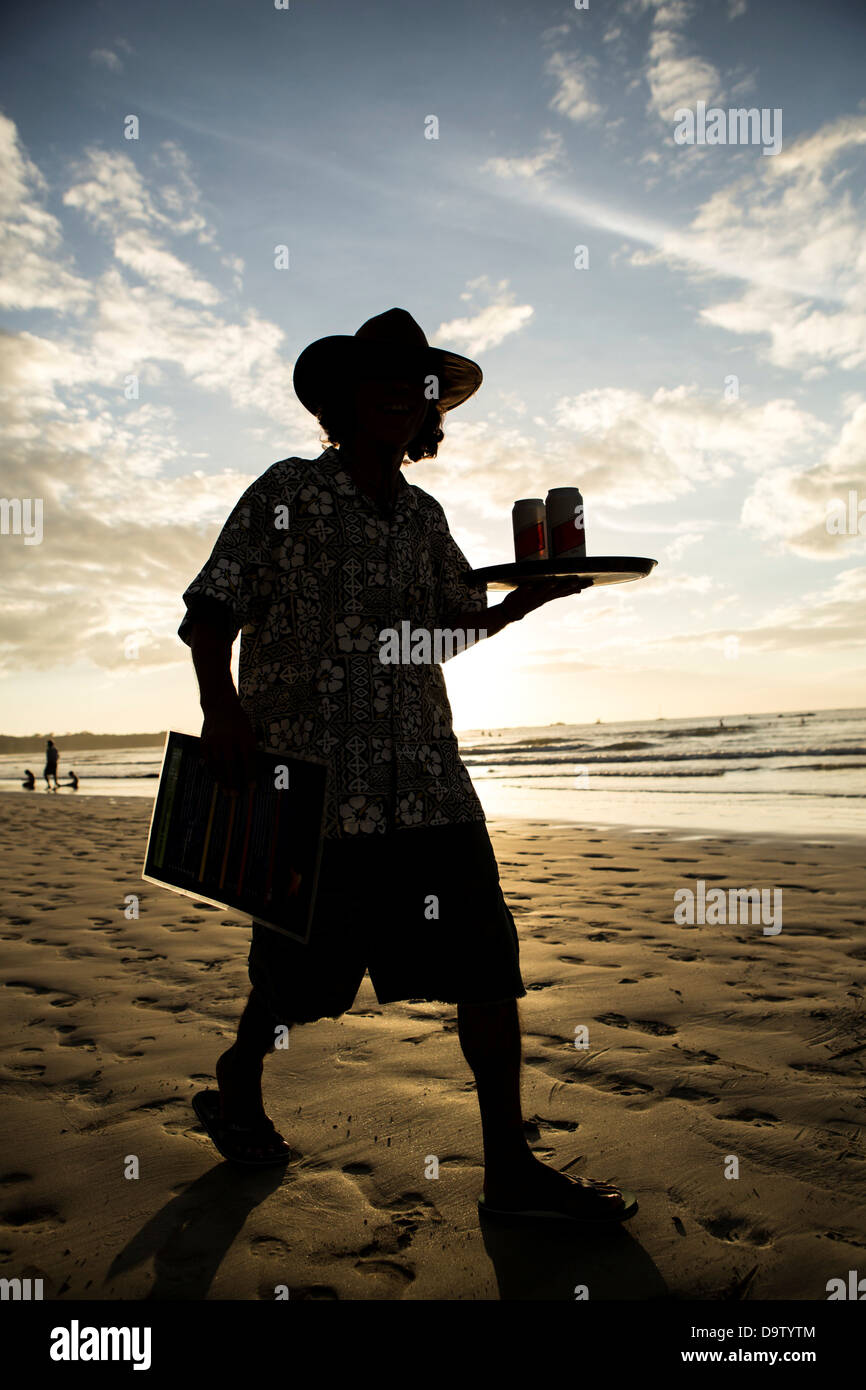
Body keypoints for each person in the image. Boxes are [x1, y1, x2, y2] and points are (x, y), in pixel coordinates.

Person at [178, 308, 635, 1226]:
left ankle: (508, 1173)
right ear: (342, 402)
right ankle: (240, 1074)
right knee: (295, 983)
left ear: (430, 412)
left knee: (486, 964)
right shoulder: (287, 492)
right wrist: (219, 707)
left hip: (428, 776)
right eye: (380, 383)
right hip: (312, 782)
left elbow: (445, 628)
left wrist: (522, 606)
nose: (401, 398)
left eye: (416, 387)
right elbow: (209, 607)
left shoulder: (424, 517)